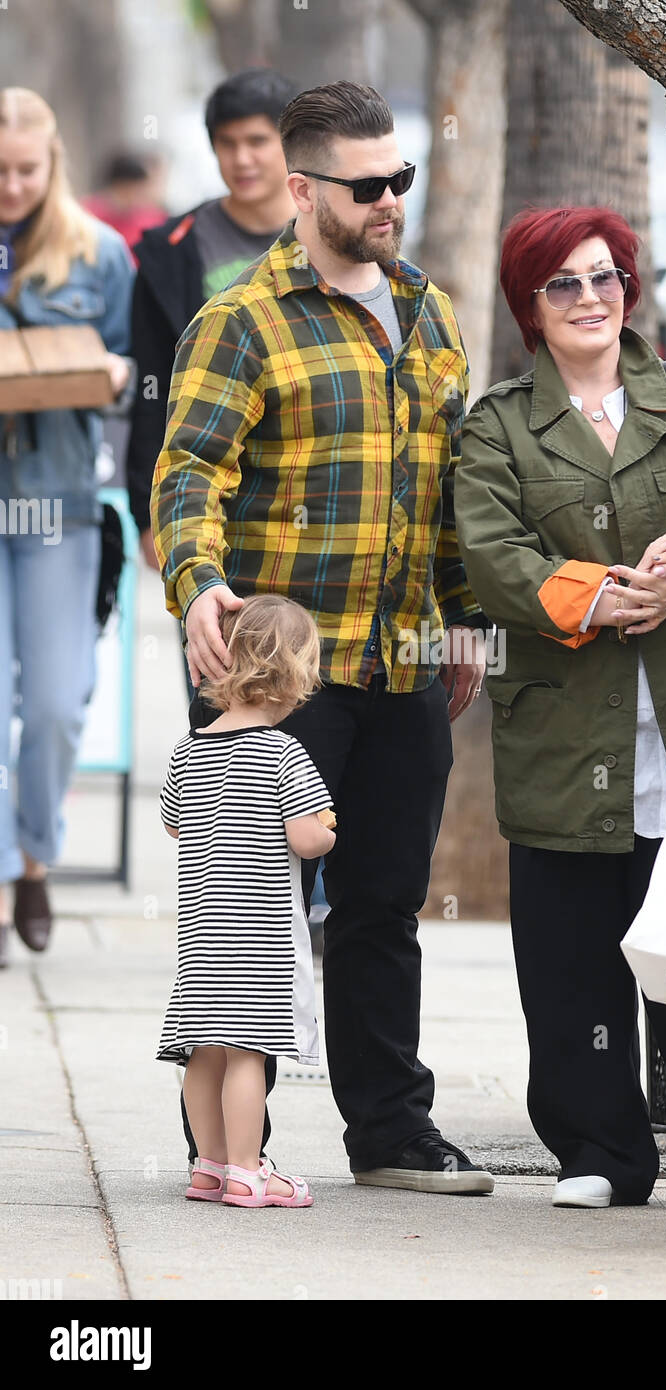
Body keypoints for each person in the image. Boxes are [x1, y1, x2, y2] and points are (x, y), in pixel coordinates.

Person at [151, 81, 493, 1195]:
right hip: (278, 674)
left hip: (401, 659)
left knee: (385, 904)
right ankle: (222, 1149)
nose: (391, 197)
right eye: (367, 184)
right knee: (250, 910)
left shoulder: (430, 312)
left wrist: (466, 620)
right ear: (302, 190)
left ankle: (389, 1131)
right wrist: (198, 581)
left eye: (400, 176)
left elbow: (444, 488)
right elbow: (189, 468)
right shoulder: (240, 320)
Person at [454, 204, 666, 1208]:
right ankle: (597, 1153)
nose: (589, 298)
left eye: (604, 277)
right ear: (528, 308)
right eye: (562, 284)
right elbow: (489, 555)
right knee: (570, 956)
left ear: (629, 286)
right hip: (561, 730)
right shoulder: (495, 424)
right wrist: (592, 594)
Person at [0, 88, 133, 967]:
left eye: (24, 170)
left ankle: (35, 856)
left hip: (57, 503)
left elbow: (133, 367)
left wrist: (104, 374)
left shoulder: (99, 255)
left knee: (52, 701)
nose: (10, 186)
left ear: (52, 165)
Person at [157, 594, 336, 1207]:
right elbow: (308, 836)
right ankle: (247, 1171)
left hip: (201, 933)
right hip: (258, 937)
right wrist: (332, 826)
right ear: (290, 680)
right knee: (248, 1057)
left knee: (202, 1057)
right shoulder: (287, 754)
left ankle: (207, 1166)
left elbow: (175, 822)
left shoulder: (189, 750)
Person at [127, 68, 297, 588]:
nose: (241, 159)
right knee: (215, 662)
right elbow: (152, 389)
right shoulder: (171, 251)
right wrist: (149, 513)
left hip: (309, 497)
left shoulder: (332, 238)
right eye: (227, 143)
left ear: (289, 144)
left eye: (257, 141)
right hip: (209, 503)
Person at [81, 150, 167, 263]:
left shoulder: (154, 218)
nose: (133, 198)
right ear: (115, 185)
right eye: (127, 190)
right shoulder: (88, 215)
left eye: (137, 191)